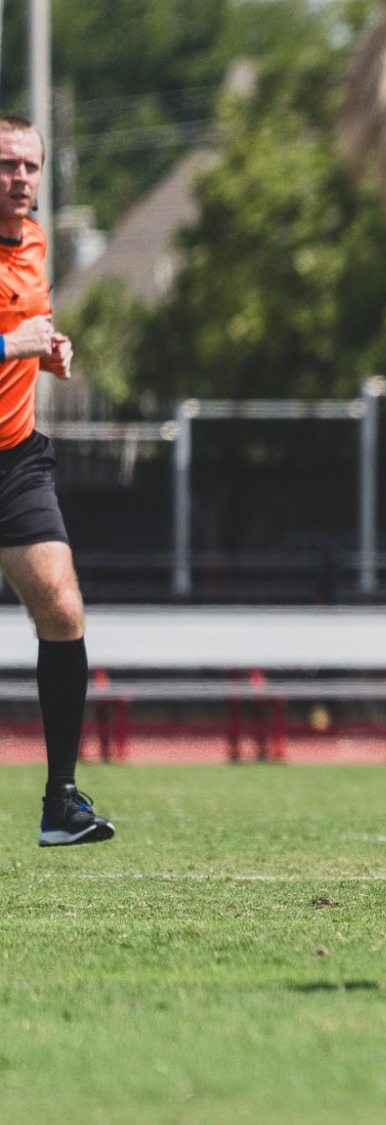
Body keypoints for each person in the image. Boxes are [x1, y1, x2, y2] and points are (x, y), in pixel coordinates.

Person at [0, 118, 104, 847]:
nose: (21, 179)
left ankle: (59, 803)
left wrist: (47, 354)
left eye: (30, 166)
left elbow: (27, 330)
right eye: (7, 166)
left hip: (14, 459)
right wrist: (12, 343)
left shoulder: (34, 242)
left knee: (63, 609)